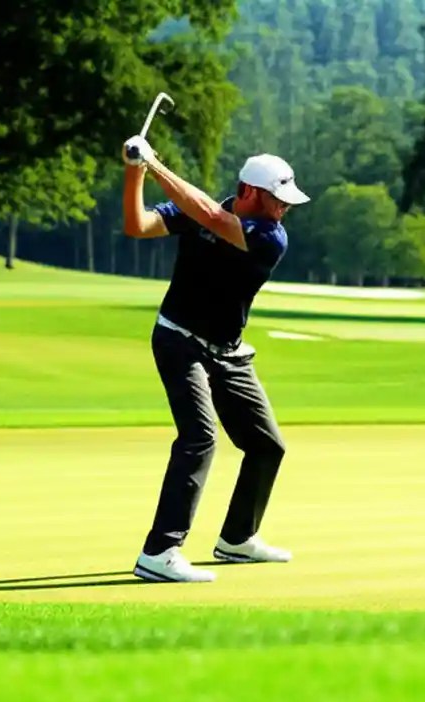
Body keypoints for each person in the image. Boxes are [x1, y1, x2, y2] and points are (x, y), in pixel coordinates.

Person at [120, 134, 310, 583]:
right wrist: (135, 174)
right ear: (248, 192)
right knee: (199, 438)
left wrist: (156, 164)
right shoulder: (205, 209)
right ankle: (160, 551)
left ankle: (237, 540)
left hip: (227, 351)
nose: (284, 209)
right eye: (277, 200)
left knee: (266, 446)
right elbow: (138, 225)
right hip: (178, 339)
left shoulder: (270, 237)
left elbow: (207, 214)